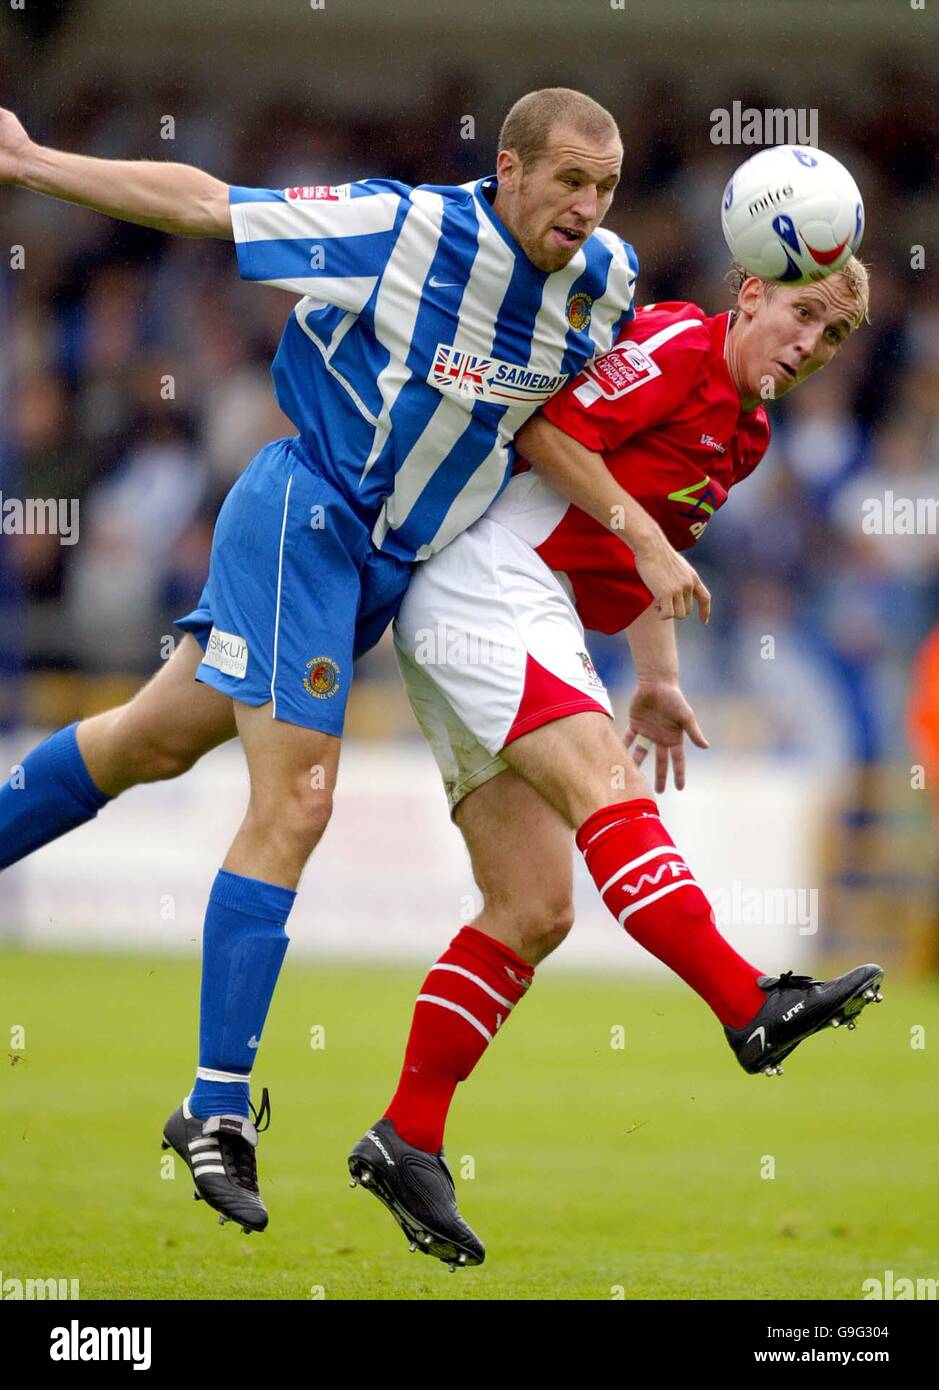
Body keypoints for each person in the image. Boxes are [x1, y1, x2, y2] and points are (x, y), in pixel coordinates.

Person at [1, 89, 711, 1233]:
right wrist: (33, 164)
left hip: (387, 570)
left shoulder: (608, 282)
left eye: (607, 187)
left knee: (149, 740)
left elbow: (581, 436)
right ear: (512, 173)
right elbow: (211, 206)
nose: (587, 207)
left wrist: (650, 563)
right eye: (568, 181)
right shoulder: (412, 230)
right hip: (305, 516)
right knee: (301, 798)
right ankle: (216, 1106)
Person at [347, 262, 885, 1271]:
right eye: (802, 315)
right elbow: (546, 432)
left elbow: (650, 548)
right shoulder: (681, 344)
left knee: (533, 906)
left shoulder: (748, 433)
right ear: (749, 292)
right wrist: (639, 538)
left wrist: (659, 677)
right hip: (488, 575)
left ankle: (406, 1135)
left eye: (834, 336)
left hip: (511, 606)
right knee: (607, 784)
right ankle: (747, 1005)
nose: (809, 346)